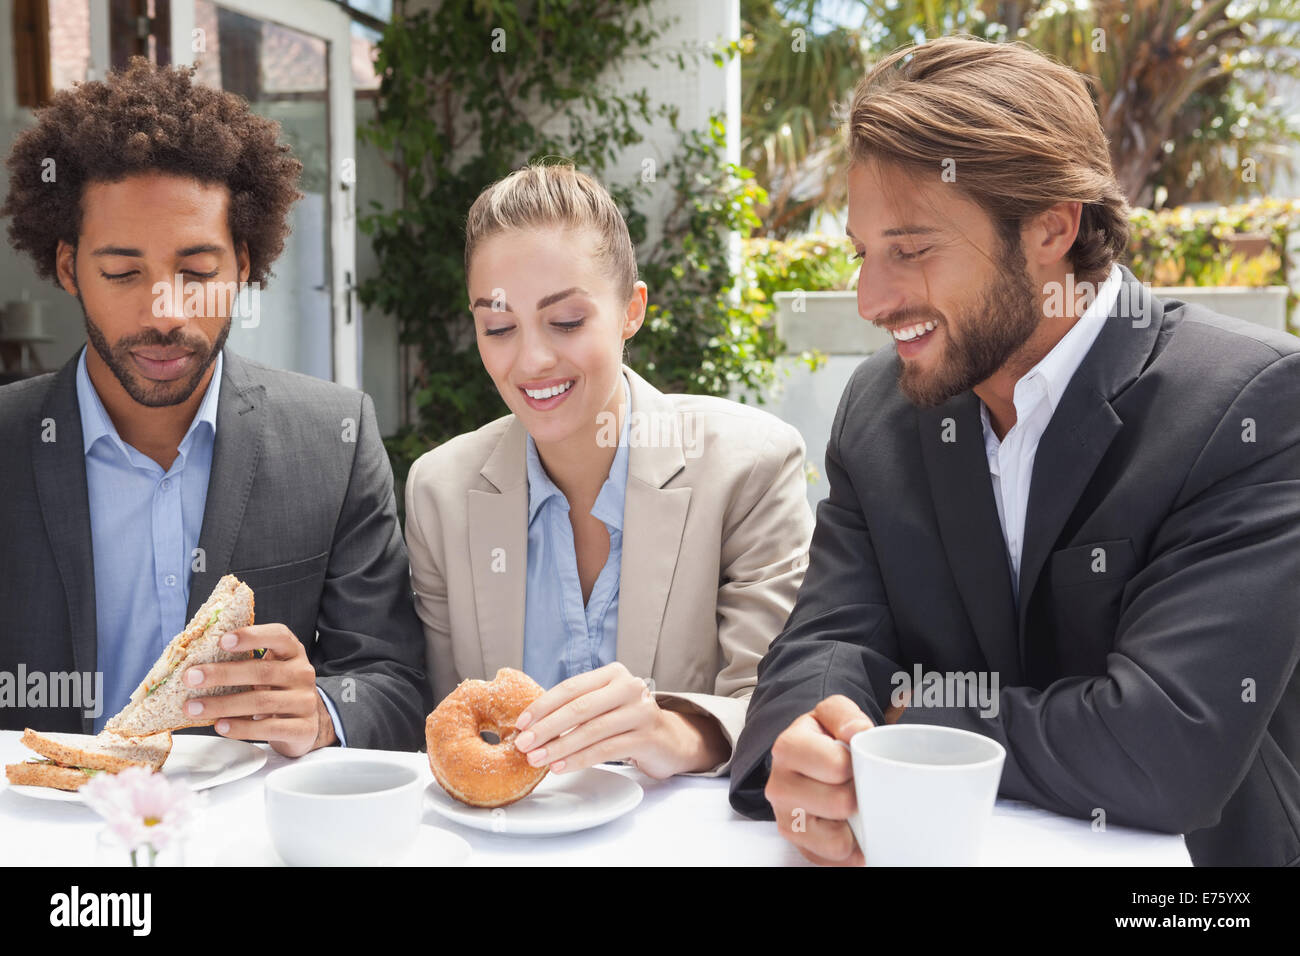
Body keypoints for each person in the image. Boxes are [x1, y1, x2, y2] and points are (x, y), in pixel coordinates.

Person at [729, 36, 1300, 866]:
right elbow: (821, 647)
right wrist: (813, 733)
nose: (872, 300)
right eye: (863, 253)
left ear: (1051, 227)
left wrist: (903, 715)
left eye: (912, 249)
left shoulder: (1249, 406)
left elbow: (1165, 747)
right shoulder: (882, 409)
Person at [0, 58, 431, 755]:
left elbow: (397, 683)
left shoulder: (334, 440)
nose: (164, 312)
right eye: (122, 273)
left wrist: (321, 711)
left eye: (197, 272)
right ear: (68, 267)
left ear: (244, 265)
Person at [404, 163, 813, 778]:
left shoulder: (749, 468)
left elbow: (779, 707)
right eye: (499, 327)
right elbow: (445, 723)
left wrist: (670, 732)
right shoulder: (440, 491)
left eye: (566, 321)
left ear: (631, 310)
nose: (533, 359)